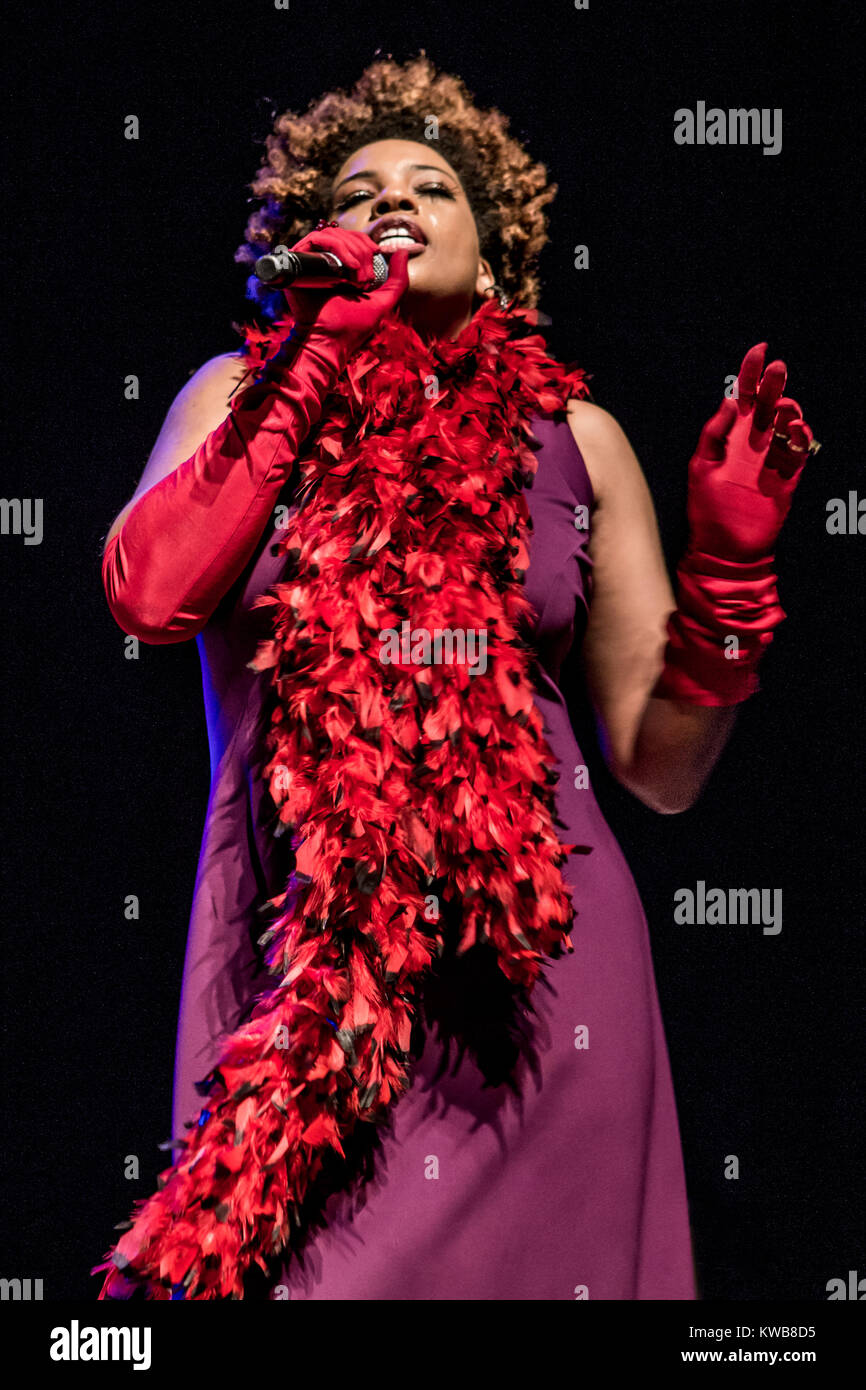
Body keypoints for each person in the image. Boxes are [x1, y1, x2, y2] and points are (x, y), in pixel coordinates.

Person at [93, 53, 816, 1301]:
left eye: (430, 186)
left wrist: (733, 577)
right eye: (359, 189)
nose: (391, 201)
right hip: (298, 977)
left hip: (536, 993)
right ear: (310, 246)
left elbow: (659, 764)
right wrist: (313, 363)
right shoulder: (237, 398)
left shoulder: (573, 438)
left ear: (488, 264)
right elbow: (152, 599)